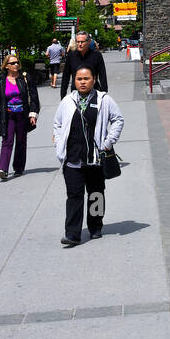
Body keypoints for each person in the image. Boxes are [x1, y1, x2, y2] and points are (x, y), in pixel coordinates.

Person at [53, 64, 124, 248]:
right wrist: (59, 144)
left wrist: (108, 142)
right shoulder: (67, 101)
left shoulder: (104, 100)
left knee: (96, 193)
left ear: (93, 80)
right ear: (74, 81)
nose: (82, 82)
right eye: (79, 79)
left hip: (96, 158)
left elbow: (118, 119)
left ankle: (95, 226)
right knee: (74, 195)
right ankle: (72, 233)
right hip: (73, 158)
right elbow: (58, 124)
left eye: (86, 79)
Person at [0, 52, 40, 179]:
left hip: (22, 114)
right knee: (7, 141)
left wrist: (33, 115)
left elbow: (34, 97)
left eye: (17, 62)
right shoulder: (2, 82)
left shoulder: (25, 78)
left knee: (21, 141)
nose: (16, 64)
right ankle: (2, 169)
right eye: (12, 63)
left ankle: (19, 168)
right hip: (8, 116)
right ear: (6, 66)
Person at [60, 30, 108, 98]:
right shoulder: (71, 56)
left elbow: (102, 75)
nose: (80, 44)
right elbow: (65, 77)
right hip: (76, 93)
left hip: (93, 92)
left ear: (89, 42)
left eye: (82, 42)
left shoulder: (97, 56)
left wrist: (104, 94)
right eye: (78, 42)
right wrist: (63, 96)